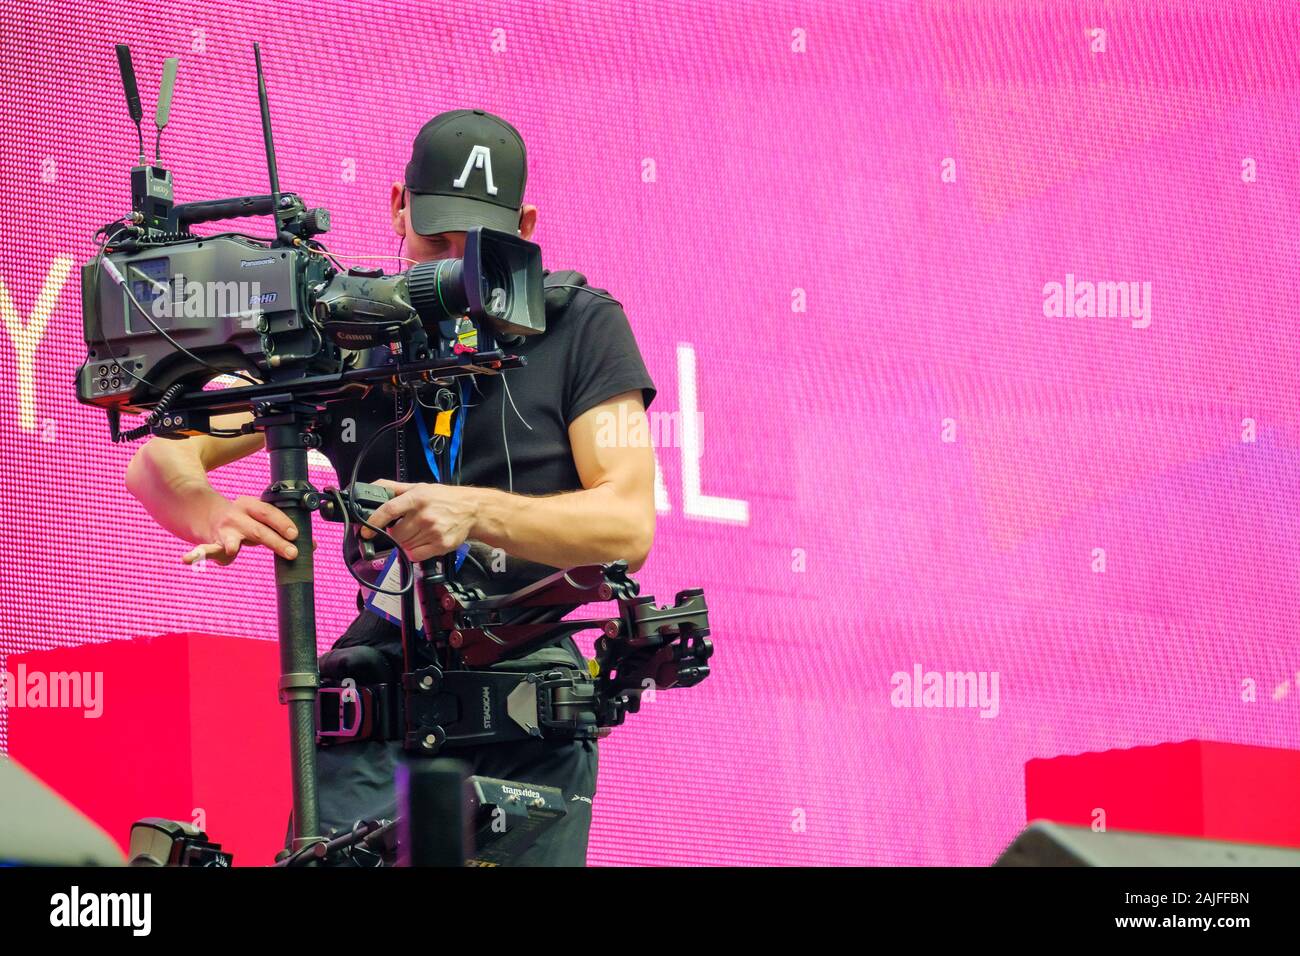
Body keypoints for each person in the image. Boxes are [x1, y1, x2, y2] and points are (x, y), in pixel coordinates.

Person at [124, 109, 658, 865]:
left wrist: (472, 513)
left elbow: (628, 524)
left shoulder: (582, 327)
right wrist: (209, 513)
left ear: (525, 225)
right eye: (431, 239)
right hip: (374, 713)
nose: (444, 265)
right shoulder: (346, 333)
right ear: (397, 205)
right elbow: (156, 463)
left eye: (469, 246)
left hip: (528, 715)